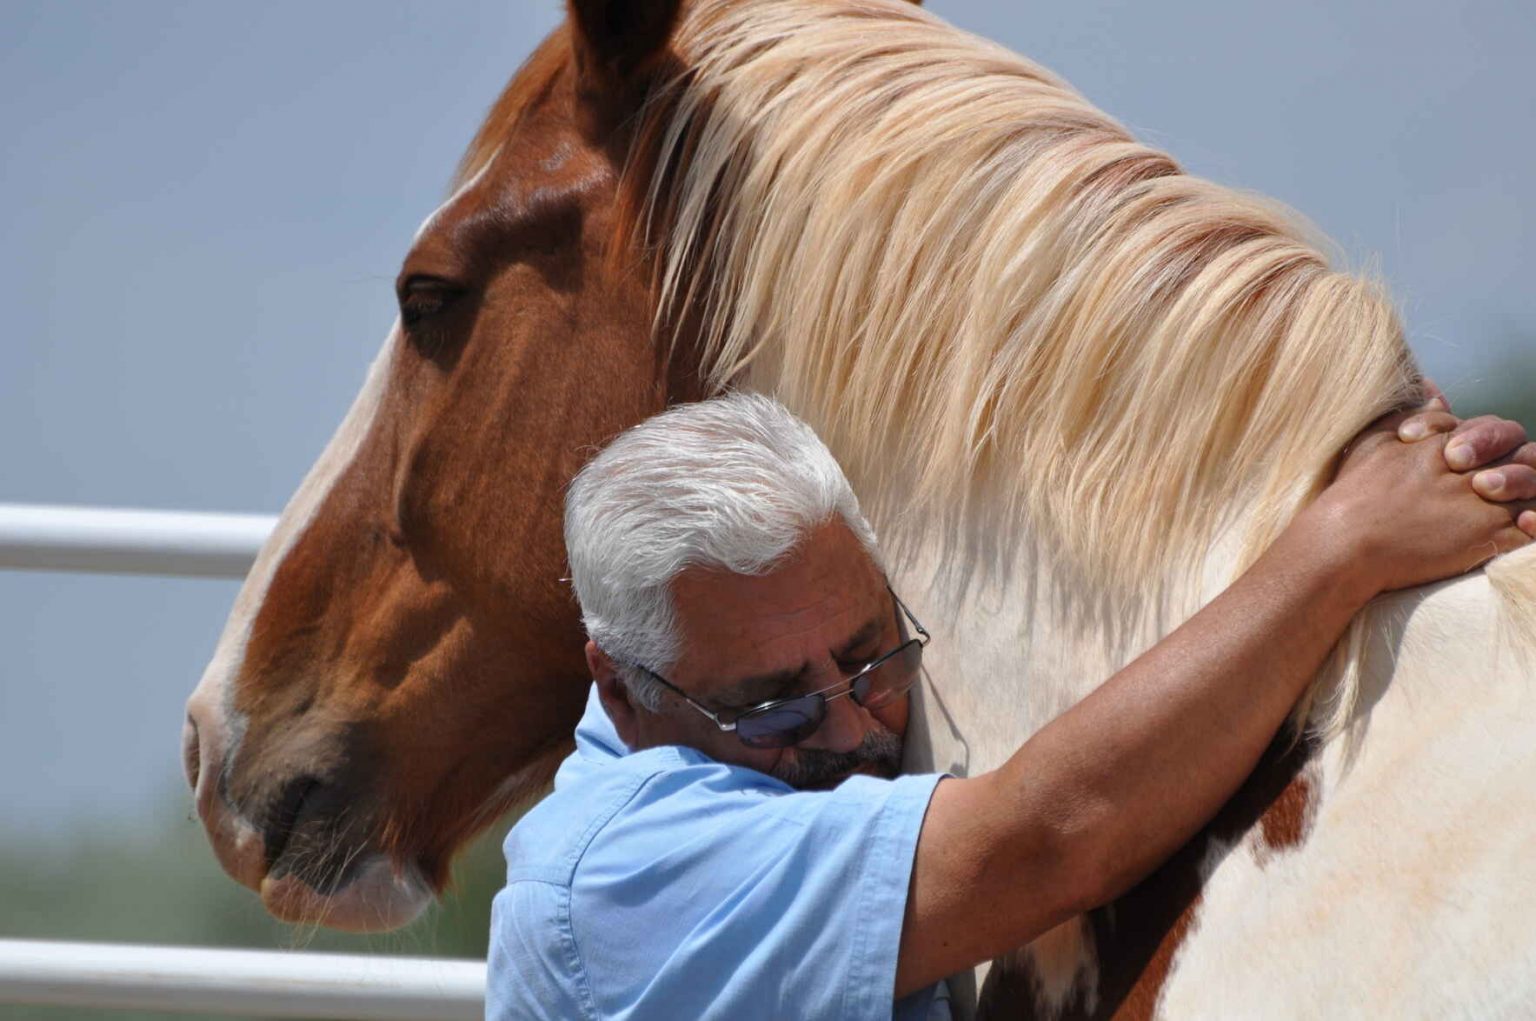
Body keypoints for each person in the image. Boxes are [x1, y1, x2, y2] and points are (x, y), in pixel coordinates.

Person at [487, 391, 1536, 1020]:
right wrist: (1344, 545)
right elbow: (1046, 840)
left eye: (869, 657)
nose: (853, 730)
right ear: (622, 689)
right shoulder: (616, 876)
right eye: (774, 708)